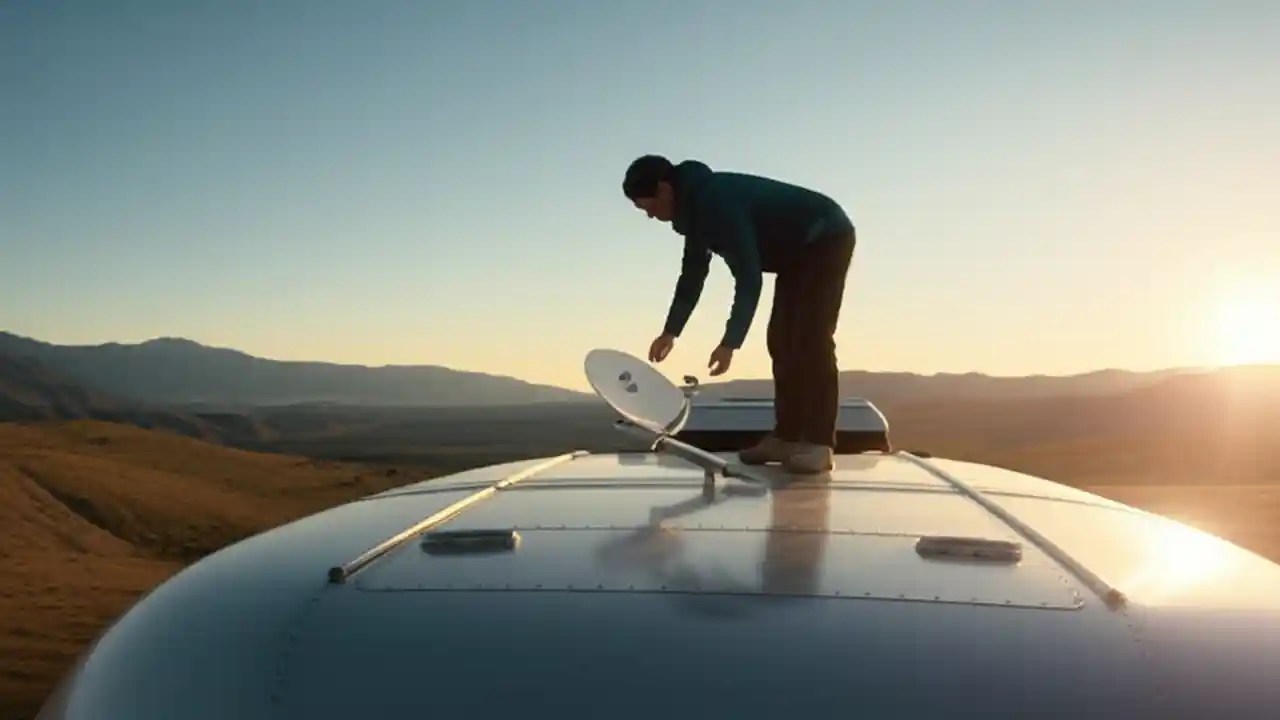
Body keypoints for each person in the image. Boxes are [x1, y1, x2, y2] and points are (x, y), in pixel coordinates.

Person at [622, 154, 856, 473]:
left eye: (646, 205)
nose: (649, 214)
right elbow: (692, 276)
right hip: (795, 255)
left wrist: (730, 342)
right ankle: (787, 436)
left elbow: (748, 275)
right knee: (782, 340)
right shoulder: (695, 214)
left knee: (811, 338)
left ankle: (818, 443)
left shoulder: (716, 203)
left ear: (664, 189)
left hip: (825, 236)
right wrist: (671, 332)